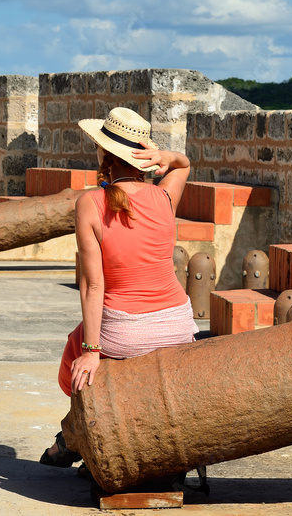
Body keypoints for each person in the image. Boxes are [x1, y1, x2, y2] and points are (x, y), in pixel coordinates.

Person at [39, 106, 196, 468]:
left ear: (104, 154)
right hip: (178, 328)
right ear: (142, 158)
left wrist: (91, 350)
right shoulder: (165, 198)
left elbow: (94, 287)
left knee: (72, 350)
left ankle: (72, 438)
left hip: (125, 334)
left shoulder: (90, 204)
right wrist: (167, 157)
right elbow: (184, 165)